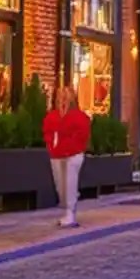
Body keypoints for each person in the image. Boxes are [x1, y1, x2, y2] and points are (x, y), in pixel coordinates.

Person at [43, 85, 91, 228]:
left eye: (66, 97)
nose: (62, 100)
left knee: (70, 182)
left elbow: (82, 135)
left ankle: (70, 212)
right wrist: (52, 145)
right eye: (60, 97)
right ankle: (66, 208)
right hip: (57, 154)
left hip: (73, 155)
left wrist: (71, 146)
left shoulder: (80, 117)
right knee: (60, 185)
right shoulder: (52, 116)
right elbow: (48, 133)